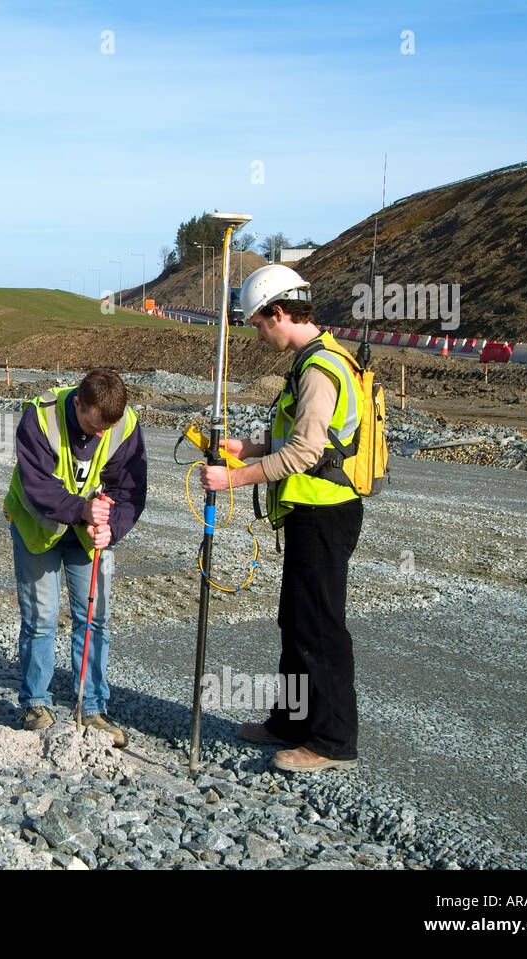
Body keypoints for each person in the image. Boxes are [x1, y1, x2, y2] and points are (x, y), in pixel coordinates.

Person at [198, 264, 364, 772]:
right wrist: (247, 447)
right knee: (294, 620)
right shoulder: (318, 359)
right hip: (308, 510)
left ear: (278, 312)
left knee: (320, 627)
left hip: (324, 512)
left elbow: (306, 455)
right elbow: (304, 440)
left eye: (256, 323)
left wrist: (235, 478)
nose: (256, 332)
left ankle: (332, 741)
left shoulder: (319, 370)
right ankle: (291, 722)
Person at [3, 368, 147, 747]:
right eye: (93, 424)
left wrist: (111, 526)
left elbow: (129, 489)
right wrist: (84, 510)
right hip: (38, 527)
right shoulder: (40, 416)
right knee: (41, 618)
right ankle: (35, 703)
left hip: (88, 536)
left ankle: (93, 708)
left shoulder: (123, 424)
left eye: (107, 428)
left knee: (95, 620)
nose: (100, 434)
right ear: (78, 403)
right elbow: (38, 486)